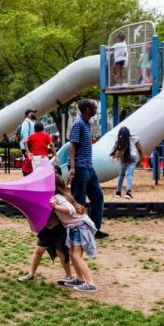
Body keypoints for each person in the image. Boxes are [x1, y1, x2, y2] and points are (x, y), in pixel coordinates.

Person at [50, 174, 97, 292]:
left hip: (80, 227)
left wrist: (55, 206)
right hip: (74, 227)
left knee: (76, 255)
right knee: (72, 253)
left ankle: (90, 284)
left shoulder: (57, 198)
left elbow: (70, 210)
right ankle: (80, 279)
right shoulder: (59, 196)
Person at [68, 99, 106, 239]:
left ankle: (94, 229)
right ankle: (76, 230)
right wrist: (72, 167)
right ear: (88, 110)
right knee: (79, 200)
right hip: (79, 167)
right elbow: (72, 146)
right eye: (94, 107)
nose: (96, 109)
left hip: (89, 167)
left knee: (98, 197)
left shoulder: (87, 124)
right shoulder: (78, 124)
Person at [17, 209, 74, 285]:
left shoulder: (59, 198)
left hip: (59, 227)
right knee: (39, 251)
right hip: (47, 227)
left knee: (61, 252)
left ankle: (69, 276)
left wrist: (56, 206)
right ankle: (31, 275)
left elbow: (69, 210)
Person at [110, 127, 143, 199]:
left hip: (123, 157)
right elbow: (139, 150)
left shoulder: (119, 140)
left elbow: (115, 150)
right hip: (132, 157)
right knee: (129, 175)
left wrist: (114, 156)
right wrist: (141, 159)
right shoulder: (134, 138)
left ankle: (118, 192)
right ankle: (128, 193)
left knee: (121, 175)